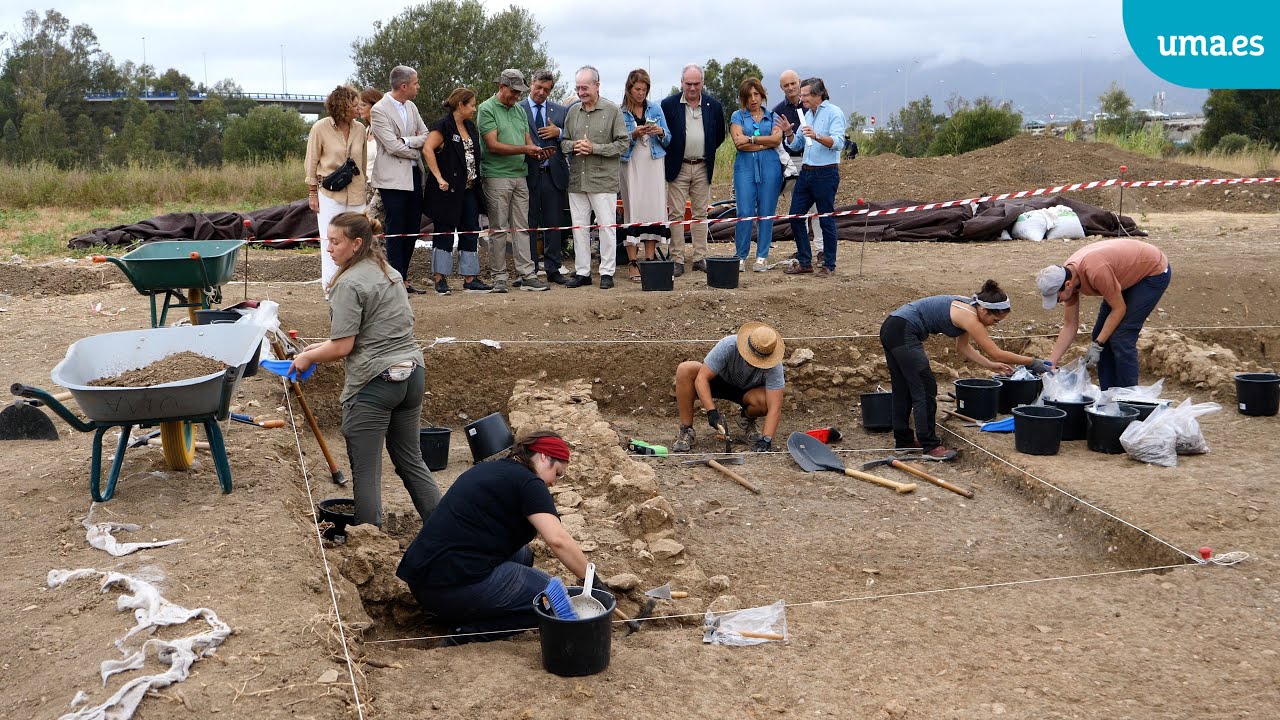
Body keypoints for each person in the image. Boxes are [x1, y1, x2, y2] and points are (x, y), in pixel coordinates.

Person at [290, 212, 440, 528]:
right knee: (411, 460)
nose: (328, 248)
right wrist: (315, 350)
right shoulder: (389, 273)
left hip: (376, 382)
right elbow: (372, 331)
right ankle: (445, 529)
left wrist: (308, 359)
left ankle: (370, 541)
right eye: (327, 240)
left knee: (366, 469)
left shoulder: (348, 283)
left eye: (335, 241)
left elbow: (343, 346)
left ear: (356, 244)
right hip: (411, 373)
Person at [395, 431, 587, 644]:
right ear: (544, 456)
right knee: (549, 600)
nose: (555, 483)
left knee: (523, 556)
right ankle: (467, 634)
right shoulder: (529, 482)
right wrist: (592, 581)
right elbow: (558, 540)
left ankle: (466, 611)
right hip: (449, 588)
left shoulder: (491, 468)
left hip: (425, 581)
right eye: (557, 474)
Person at [880, 281, 1052, 461]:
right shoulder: (970, 317)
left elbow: (962, 347)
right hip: (903, 331)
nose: (993, 325)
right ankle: (930, 445)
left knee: (904, 388)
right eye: (995, 320)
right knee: (925, 387)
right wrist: (1033, 362)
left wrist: (989, 364)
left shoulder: (970, 308)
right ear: (985, 310)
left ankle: (903, 441)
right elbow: (996, 352)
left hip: (893, 327)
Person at [1037, 238, 1171, 390]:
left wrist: (1098, 345)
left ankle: (1129, 399)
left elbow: (1118, 309)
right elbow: (1070, 325)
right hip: (1121, 274)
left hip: (1152, 271)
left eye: (1057, 298)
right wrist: (1051, 362)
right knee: (1099, 335)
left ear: (1068, 285)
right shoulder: (1066, 277)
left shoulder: (1095, 272)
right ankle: (1107, 394)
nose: (1058, 302)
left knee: (1122, 337)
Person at [478, 68, 550, 294]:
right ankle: (499, 277)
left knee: (522, 228)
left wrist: (537, 151)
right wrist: (525, 148)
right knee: (498, 229)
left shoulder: (519, 111)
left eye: (520, 92)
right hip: (496, 176)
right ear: (501, 87)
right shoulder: (486, 108)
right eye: (513, 91)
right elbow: (492, 145)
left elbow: (527, 140)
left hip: (520, 175)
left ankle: (527, 274)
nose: (517, 96)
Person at [560, 66, 630, 290]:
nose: (581, 92)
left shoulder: (612, 111)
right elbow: (564, 142)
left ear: (597, 86)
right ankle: (583, 272)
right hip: (577, 180)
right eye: (578, 88)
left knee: (606, 227)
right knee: (579, 228)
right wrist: (574, 145)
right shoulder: (572, 112)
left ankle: (607, 272)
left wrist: (595, 148)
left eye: (585, 88)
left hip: (603, 180)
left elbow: (623, 143)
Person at [672, 322, 786, 454]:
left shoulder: (774, 366)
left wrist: (766, 439)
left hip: (747, 392)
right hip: (718, 381)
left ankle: (746, 419)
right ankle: (687, 429)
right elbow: (701, 379)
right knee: (685, 369)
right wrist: (711, 411)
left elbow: (775, 407)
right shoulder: (729, 345)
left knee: (765, 401)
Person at [423, 87, 492, 295]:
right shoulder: (442, 126)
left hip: (469, 189)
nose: (474, 108)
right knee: (444, 232)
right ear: (461, 105)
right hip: (446, 191)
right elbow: (427, 149)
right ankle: (440, 279)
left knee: (469, 230)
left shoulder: (470, 126)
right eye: (471, 105)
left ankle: (470, 278)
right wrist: (438, 177)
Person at [661, 64, 726, 278]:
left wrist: (703, 151)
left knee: (700, 213)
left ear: (702, 83)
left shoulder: (713, 106)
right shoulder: (668, 105)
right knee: (676, 214)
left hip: (702, 166)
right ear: (681, 82)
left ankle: (700, 258)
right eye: (688, 83)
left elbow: (719, 136)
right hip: (677, 167)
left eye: (696, 84)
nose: (691, 88)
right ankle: (677, 259)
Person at [777, 77, 845, 278]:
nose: (801, 98)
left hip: (826, 172)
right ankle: (805, 261)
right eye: (802, 94)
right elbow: (796, 145)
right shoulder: (807, 114)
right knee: (796, 216)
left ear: (818, 95)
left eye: (805, 95)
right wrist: (789, 133)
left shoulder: (834, 113)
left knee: (826, 219)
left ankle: (829, 264)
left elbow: (839, 142)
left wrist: (816, 136)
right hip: (806, 172)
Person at [369, 66, 429, 294]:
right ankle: (395, 279)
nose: (418, 87)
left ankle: (403, 276)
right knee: (396, 227)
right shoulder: (379, 110)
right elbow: (391, 146)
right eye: (416, 83)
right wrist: (415, 147)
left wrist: (406, 140)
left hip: (414, 174)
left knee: (412, 227)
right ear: (404, 86)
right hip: (392, 179)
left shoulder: (411, 106)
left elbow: (426, 134)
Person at [305, 85, 368, 290]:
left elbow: (363, 163)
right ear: (342, 106)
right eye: (355, 105)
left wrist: (365, 191)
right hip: (329, 194)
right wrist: (312, 193)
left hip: (357, 194)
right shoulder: (320, 128)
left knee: (358, 242)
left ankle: (356, 287)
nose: (359, 108)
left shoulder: (360, 129)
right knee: (331, 243)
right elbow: (311, 162)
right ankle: (331, 289)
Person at [619, 68, 671, 282]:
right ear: (629, 89)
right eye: (637, 89)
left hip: (654, 162)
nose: (641, 93)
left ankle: (649, 259)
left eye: (644, 89)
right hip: (631, 164)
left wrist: (659, 132)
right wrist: (633, 134)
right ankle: (632, 262)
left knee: (653, 210)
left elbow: (668, 139)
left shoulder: (656, 108)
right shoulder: (620, 113)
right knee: (634, 210)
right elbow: (619, 143)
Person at [729, 77, 784, 272]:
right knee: (744, 212)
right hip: (745, 167)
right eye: (748, 95)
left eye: (756, 94)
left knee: (766, 212)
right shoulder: (737, 116)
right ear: (743, 98)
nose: (753, 99)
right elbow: (738, 143)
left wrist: (751, 139)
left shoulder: (773, 116)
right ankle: (741, 255)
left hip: (771, 167)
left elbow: (777, 140)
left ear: (762, 95)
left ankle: (762, 256)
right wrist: (765, 143)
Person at [523, 69, 571, 285]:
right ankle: (530, 269)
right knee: (529, 222)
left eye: (546, 90)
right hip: (527, 174)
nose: (541, 92)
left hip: (553, 175)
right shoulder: (518, 109)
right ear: (531, 84)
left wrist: (558, 133)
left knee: (554, 223)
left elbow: (571, 137)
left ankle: (553, 267)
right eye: (538, 87)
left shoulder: (560, 111)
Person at [772, 70, 820, 250]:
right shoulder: (778, 111)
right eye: (786, 85)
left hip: (813, 159)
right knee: (798, 208)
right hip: (791, 161)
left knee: (816, 207)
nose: (791, 87)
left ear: (799, 82)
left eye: (793, 83)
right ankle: (803, 250)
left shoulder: (813, 106)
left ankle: (821, 249)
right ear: (781, 88)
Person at [357, 86, 385, 226]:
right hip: (364, 187)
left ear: (375, 105)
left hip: (380, 187)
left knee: (372, 223)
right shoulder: (365, 130)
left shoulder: (384, 131)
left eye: (363, 104)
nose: (359, 108)